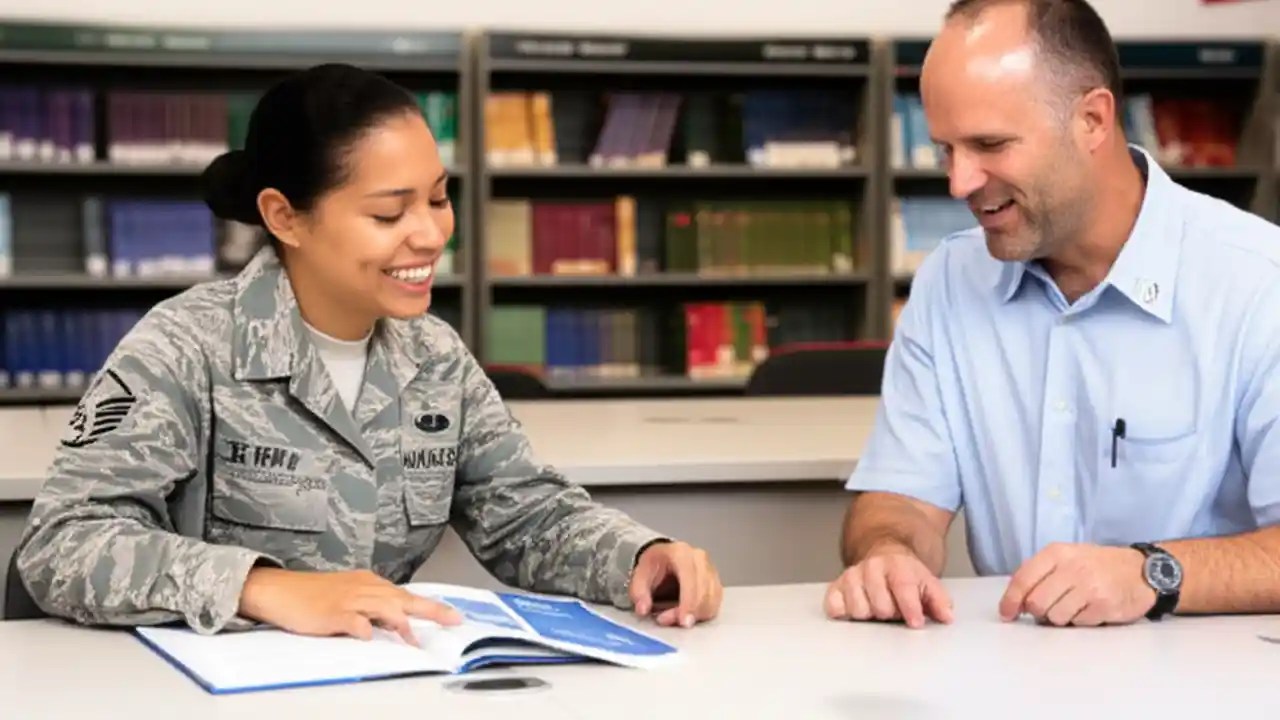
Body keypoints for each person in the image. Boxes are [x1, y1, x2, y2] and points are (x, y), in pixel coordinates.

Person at [15, 63, 722, 642]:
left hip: (383, 684)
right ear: (284, 216)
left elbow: (525, 513)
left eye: (439, 201)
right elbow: (62, 546)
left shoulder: (435, 357)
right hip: (218, 691)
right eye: (389, 213)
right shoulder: (189, 346)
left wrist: (637, 555)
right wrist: (262, 588)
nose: (429, 235)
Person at [826, 0, 1280, 629]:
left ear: (1092, 119)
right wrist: (887, 554)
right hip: (1012, 681)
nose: (959, 182)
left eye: (989, 144)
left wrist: (1152, 573)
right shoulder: (950, 283)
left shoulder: (1259, 285)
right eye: (945, 149)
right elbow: (902, 497)